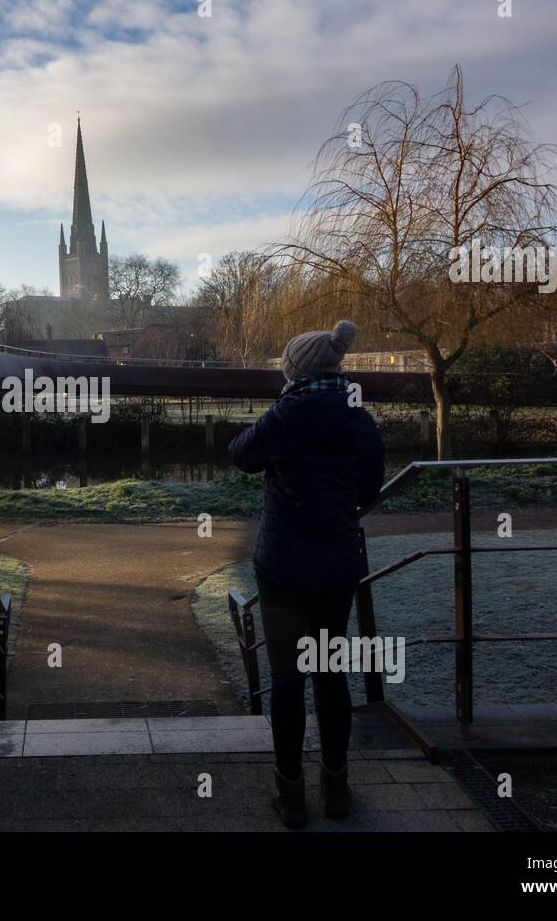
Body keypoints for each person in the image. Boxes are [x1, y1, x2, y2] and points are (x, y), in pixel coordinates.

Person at [228, 320, 385, 828]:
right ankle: (336, 790)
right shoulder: (359, 420)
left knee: (287, 679)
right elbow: (371, 488)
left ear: (294, 372)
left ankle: (291, 796)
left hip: (282, 568)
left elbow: (240, 456)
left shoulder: (284, 415)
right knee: (330, 673)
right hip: (337, 566)